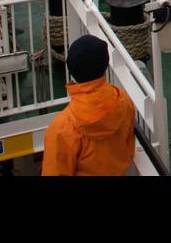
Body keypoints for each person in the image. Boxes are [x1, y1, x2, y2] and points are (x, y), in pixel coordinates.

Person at [42, 35, 136, 175]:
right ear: (105, 64)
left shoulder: (62, 128)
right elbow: (128, 145)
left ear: (72, 69)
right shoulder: (123, 99)